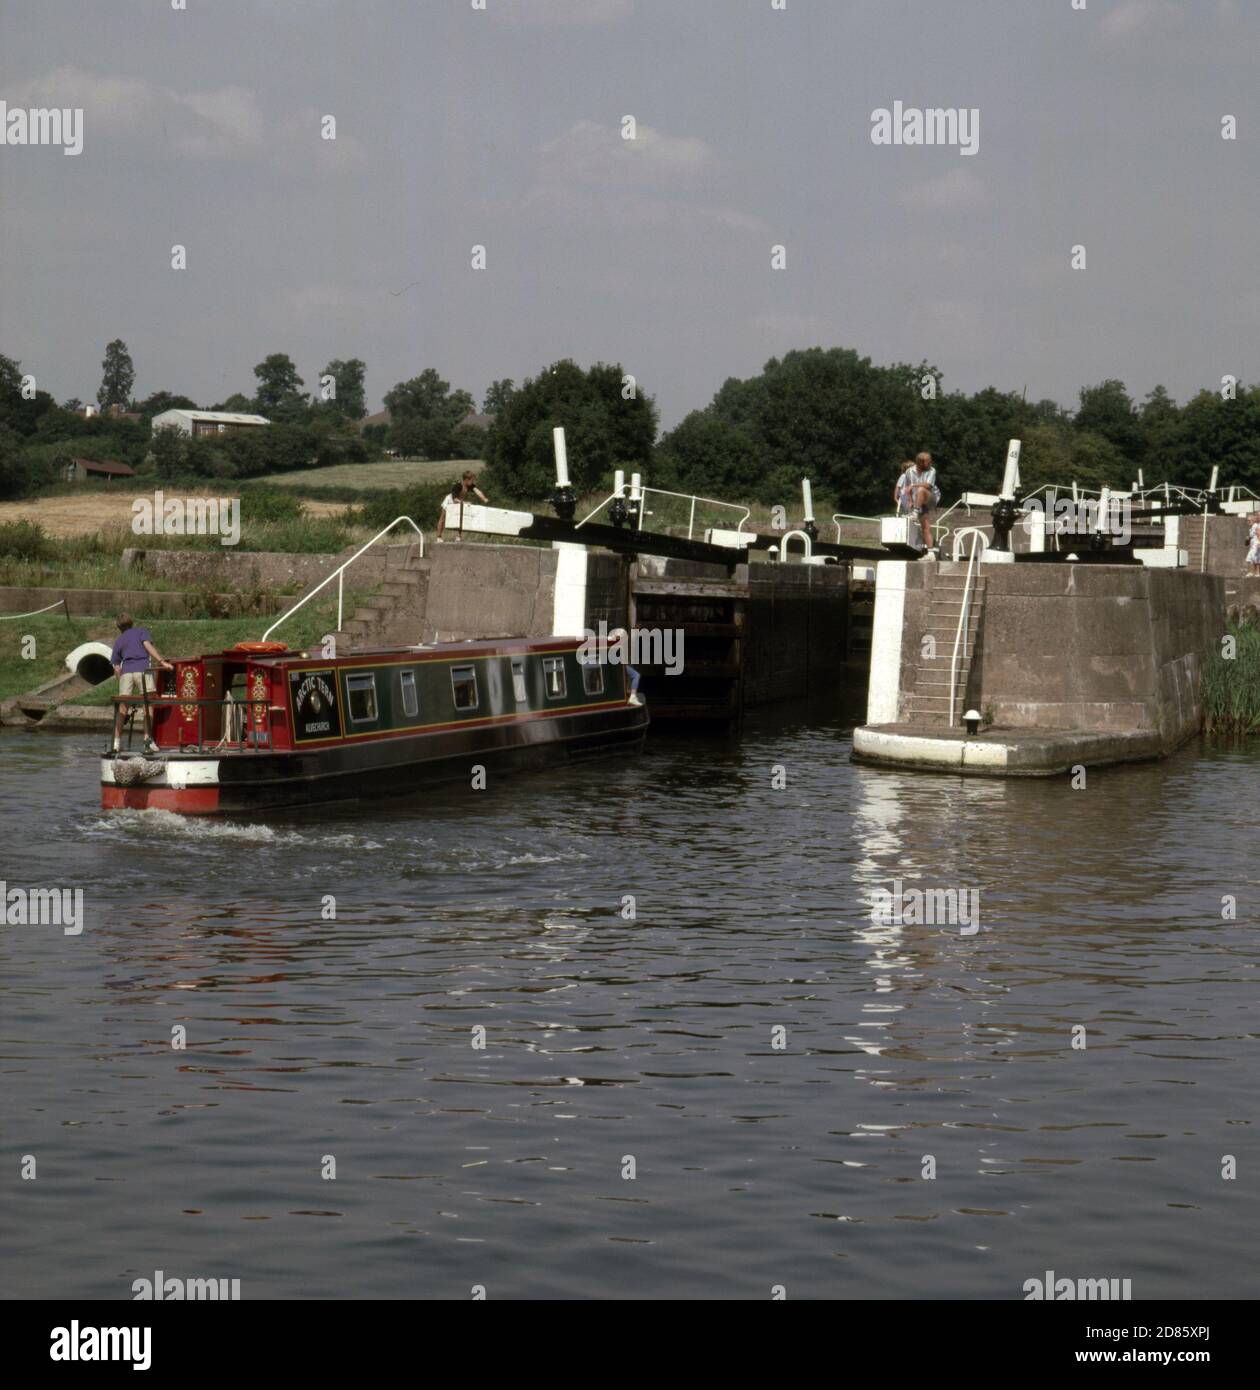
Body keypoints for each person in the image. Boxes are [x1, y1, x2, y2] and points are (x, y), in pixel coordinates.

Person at [109, 613, 173, 755]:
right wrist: (162, 662)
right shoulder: (141, 632)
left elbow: (116, 667)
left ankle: (116, 743)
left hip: (126, 674)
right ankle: (147, 742)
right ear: (131, 622)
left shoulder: (119, 640)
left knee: (122, 708)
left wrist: (122, 681)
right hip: (142, 671)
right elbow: (147, 646)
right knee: (148, 705)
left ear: (119, 627)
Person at [893, 452, 941, 554]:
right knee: (925, 527)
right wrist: (910, 500)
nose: (931, 463)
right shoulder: (909, 472)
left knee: (921, 489)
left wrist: (914, 484)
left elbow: (928, 485)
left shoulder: (932, 470)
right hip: (918, 502)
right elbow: (907, 489)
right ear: (920, 463)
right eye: (928, 462)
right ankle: (931, 552)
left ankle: (914, 513)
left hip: (931, 498)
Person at [435, 470, 490, 540]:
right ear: (467, 480)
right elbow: (454, 499)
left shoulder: (470, 486)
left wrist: (484, 498)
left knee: (461, 519)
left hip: (460, 502)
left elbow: (477, 491)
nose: (473, 482)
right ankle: (439, 537)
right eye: (472, 480)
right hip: (450, 501)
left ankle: (458, 536)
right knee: (442, 518)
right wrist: (464, 503)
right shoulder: (457, 486)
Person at [1247, 512, 1260, 577]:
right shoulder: (1251, 528)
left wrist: (1259, 543)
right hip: (1252, 544)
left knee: (1254, 558)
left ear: (1252, 520)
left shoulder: (1255, 526)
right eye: (1247, 520)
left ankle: (1255, 572)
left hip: (1256, 543)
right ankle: (1252, 572)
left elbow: (1258, 534)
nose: (1248, 522)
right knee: (1251, 558)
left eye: (1249, 520)